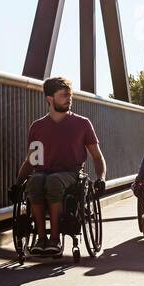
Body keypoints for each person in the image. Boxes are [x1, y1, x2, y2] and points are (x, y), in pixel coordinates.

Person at [14, 75, 106, 258]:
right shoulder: (38, 127)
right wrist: (17, 184)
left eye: (69, 95)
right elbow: (32, 160)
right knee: (35, 181)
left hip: (71, 173)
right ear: (50, 99)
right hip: (43, 172)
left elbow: (97, 156)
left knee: (54, 181)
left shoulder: (82, 124)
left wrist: (101, 178)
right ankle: (41, 239)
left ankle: (55, 238)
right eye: (64, 95)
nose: (69, 98)